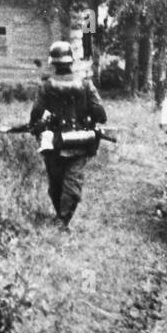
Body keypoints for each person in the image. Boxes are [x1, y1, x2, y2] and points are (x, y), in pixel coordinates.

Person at [29, 41, 107, 227]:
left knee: (55, 183)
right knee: (72, 183)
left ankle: (60, 218)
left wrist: (35, 127)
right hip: (80, 142)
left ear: (53, 63)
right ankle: (62, 220)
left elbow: (36, 114)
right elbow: (101, 115)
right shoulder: (86, 85)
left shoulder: (46, 86)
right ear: (71, 61)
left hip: (54, 143)